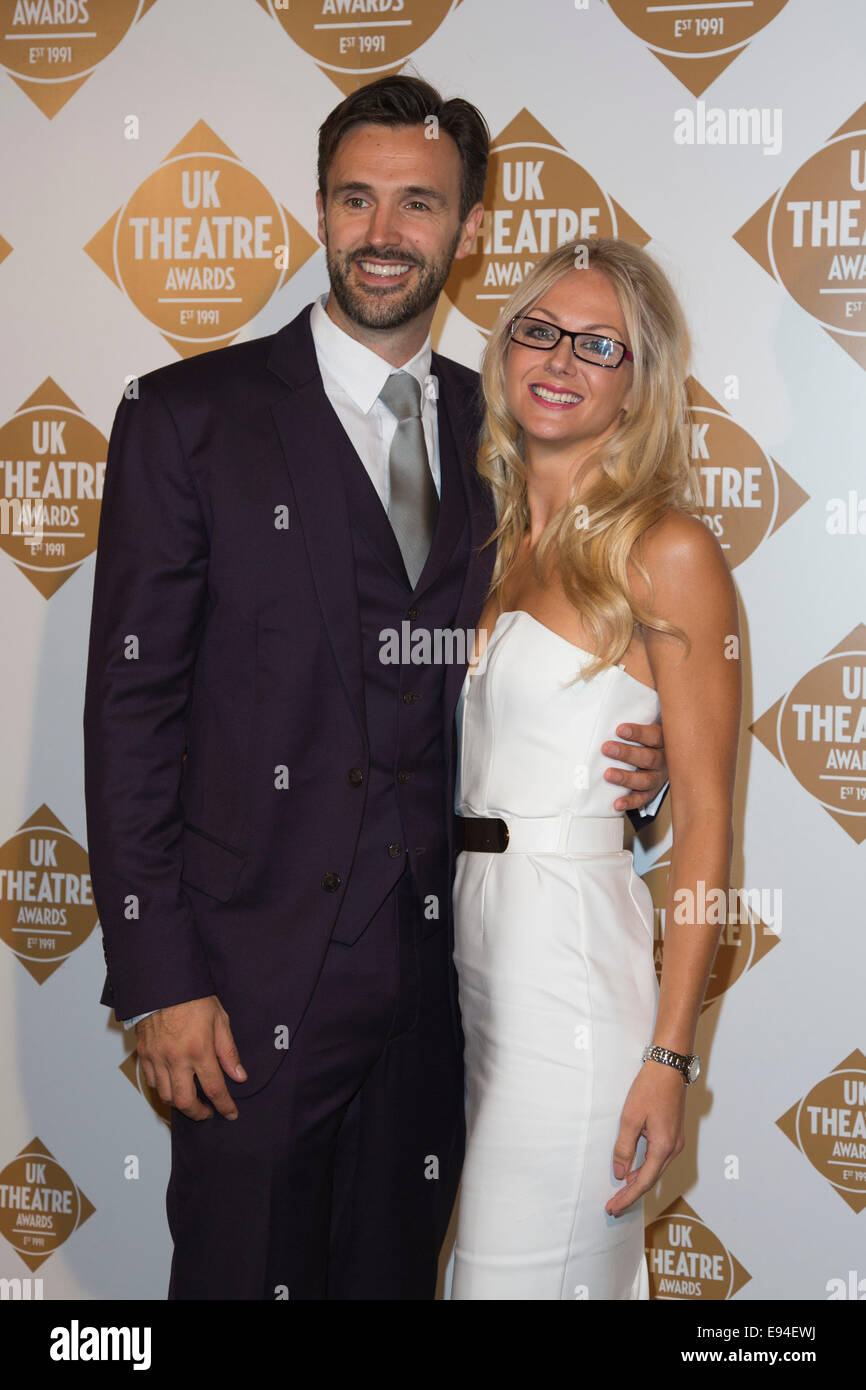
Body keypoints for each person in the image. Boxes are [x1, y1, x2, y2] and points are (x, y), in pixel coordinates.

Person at [82, 78, 669, 1301]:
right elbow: (129, 712)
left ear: (465, 232)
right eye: (356, 198)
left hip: (443, 981)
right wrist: (157, 978)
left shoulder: (503, 431)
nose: (382, 230)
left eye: (418, 203)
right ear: (318, 211)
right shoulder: (188, 417)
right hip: (241, 987)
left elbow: (551, 654)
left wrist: (628, 762)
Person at [450, 237, 740, 1300]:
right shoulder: (484, 545)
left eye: (598, 344)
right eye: (538, 329)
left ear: (638, 381)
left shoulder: (666, 550)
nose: (558, 358)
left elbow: (706, 823)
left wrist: (669, 1060)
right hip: (467, 960)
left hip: (568, 965)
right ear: (504, 348)